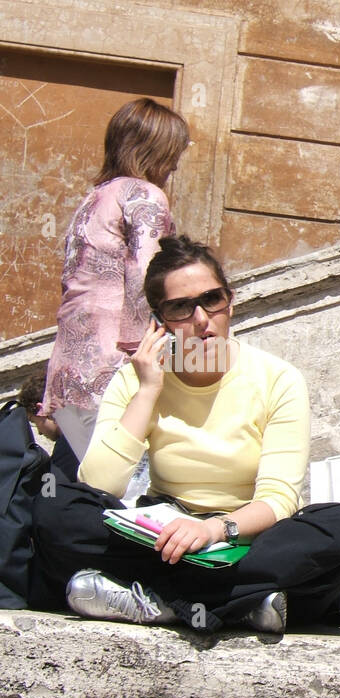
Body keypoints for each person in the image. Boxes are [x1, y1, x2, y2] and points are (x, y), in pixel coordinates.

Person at [31, 236, 340, 633]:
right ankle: (240, 602)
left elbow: (277, 499)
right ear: (159, 321)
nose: (202, 319)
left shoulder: (278, 379)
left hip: (243, 535)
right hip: (161, 537)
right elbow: (100, 484)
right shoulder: (137, 380)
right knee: (57, 509)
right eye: (181, 307)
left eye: (212, 299)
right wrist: (149, 391)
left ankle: (160, 600)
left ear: (230, 302)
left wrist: (211, 529)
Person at [41, 97, 189, 477]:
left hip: (72, 358)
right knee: (110, 477)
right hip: (114, 361)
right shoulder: (144, 195)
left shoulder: (95, 198)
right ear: (155, 148)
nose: (176, 163)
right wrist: (157, 348)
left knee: (71, 470)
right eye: (173, 150)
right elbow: (148, 275)